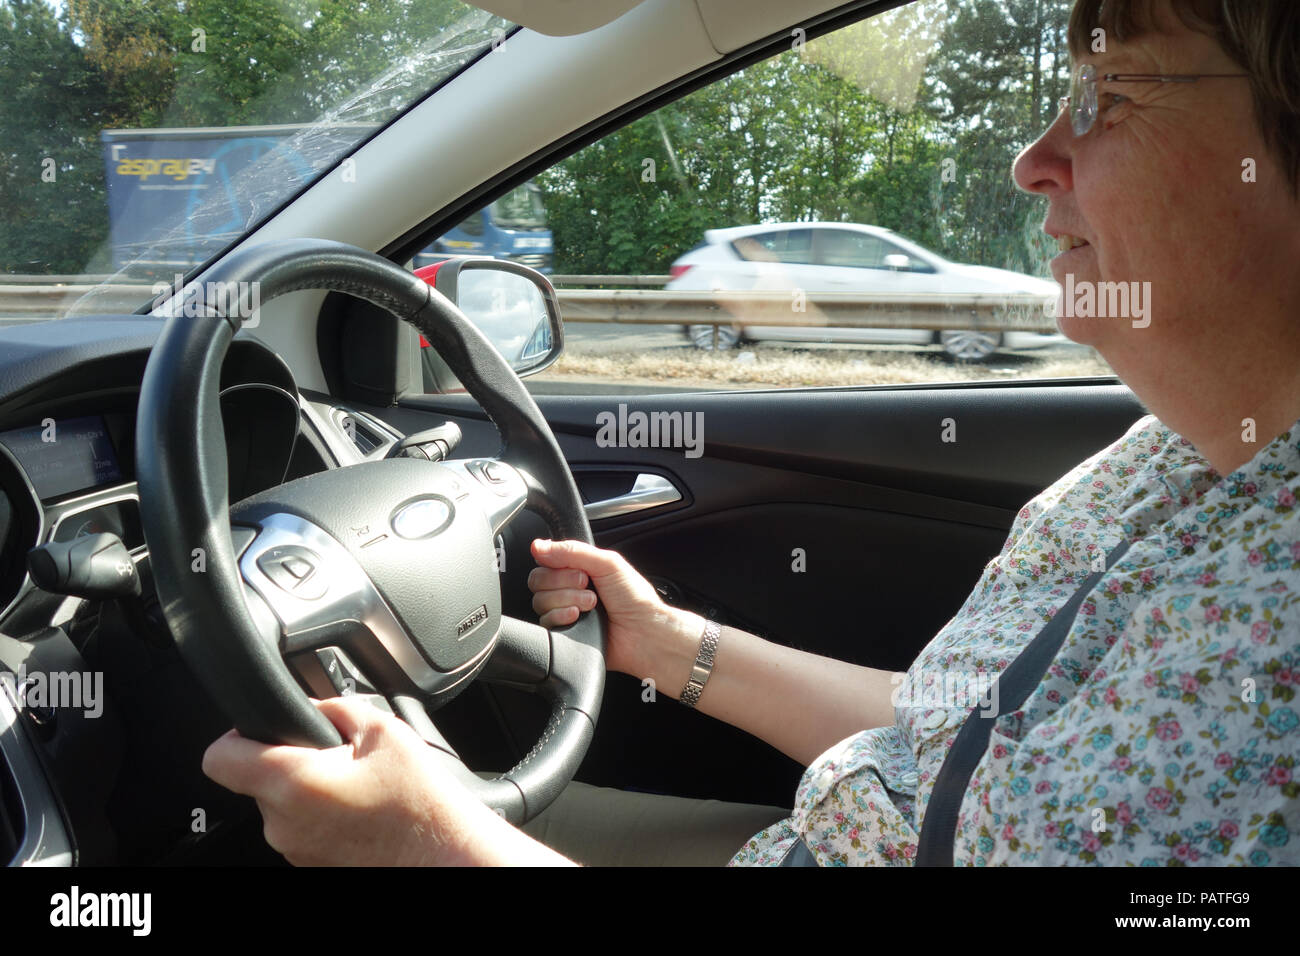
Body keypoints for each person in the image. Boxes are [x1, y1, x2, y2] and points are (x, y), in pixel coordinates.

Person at [202, 0, 1300, 865]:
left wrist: (429, 850)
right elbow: (967, 736)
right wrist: (671, 647)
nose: (1034, 157)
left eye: (1110, 96)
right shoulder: (1166, 455)